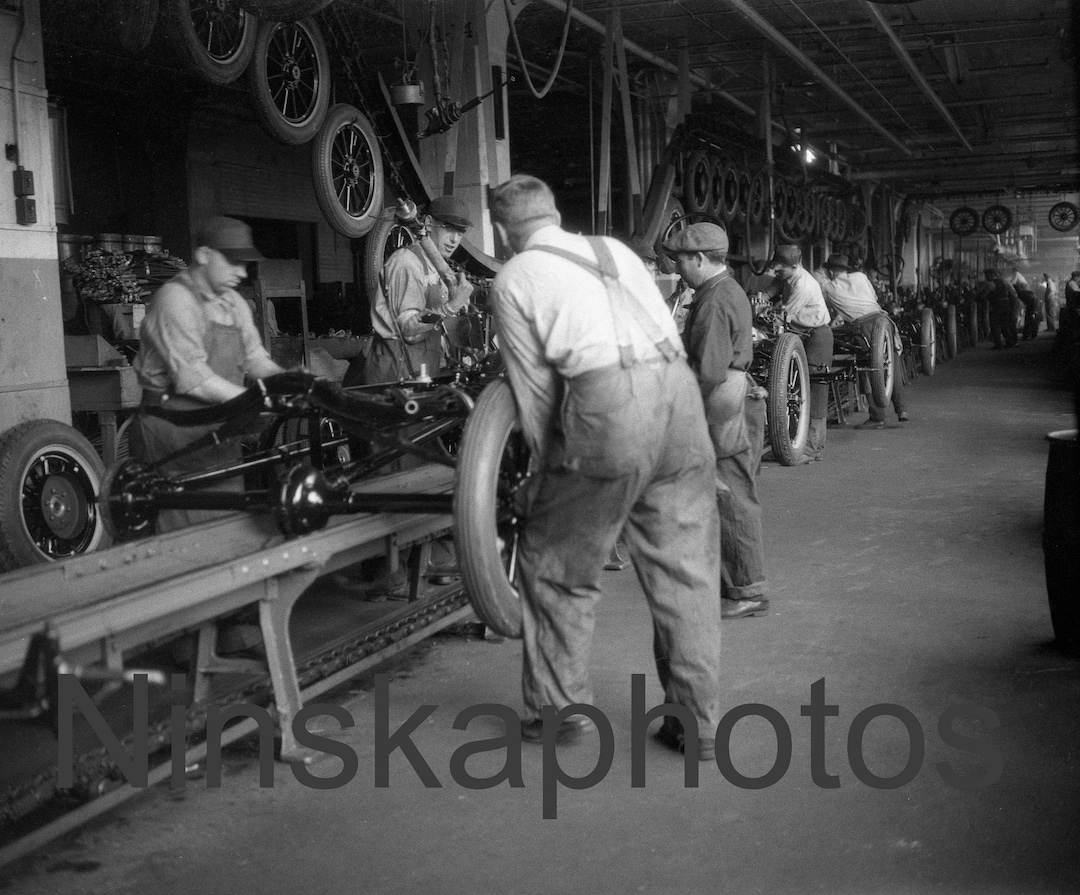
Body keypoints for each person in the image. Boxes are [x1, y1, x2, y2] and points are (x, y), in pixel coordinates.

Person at [488, 174, 723, 758]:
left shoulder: (513, 277)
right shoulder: (611, 249)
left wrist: (543, 477)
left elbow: (535, 393)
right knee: (686, 571)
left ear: (500, 230)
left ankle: (557, 715)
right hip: (680, 396)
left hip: (611, 407)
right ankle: (696, 726)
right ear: (555, 214)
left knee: (557, 562)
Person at [133, 216, 286, 533]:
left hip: (219, 430)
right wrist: (255, 400)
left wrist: (289, 383)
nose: (242, 273)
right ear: (203, 255)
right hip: (173, 435)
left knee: (227, 528)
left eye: (245, 264)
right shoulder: (175, 300)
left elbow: (256, 357)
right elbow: (196, 381)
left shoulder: (234, 303)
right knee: (185, 541)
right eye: (233, 262)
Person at [664, 222, 769, 621]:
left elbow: (707, 370)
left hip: (720, 398)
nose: (678, 270)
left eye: (681, 261)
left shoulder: (712, 301)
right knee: (732, 493)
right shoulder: (726, 289)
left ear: (701, 259)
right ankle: (736, 583)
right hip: (733, 393)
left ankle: (748, 590)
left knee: (730, 496)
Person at [345, 195, 476, 386]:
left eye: (460, 232)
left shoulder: (440, 270)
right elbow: (408, 329)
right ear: (429, 223)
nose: (454, 239)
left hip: (421, 371)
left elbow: (443, 327)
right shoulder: (407, 263)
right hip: (393, 374)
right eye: (448, 228)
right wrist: (451, 306)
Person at [816, 253, 910, 428]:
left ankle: (877, 417)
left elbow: (817, 280)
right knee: (891, 364)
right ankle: (902, 409)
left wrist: (822, 271)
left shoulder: (830, 287)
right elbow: (872, 298)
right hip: (883, 320)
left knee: (867, 370)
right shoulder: (860, 277)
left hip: (864, 327)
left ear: (831, 270)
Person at [757, 244, 833, 451]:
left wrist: (764, 311)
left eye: (780, 269)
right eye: (776, 269)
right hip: (799, 331)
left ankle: (812, 447)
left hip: (817, 335)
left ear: (794, 266)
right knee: (791, 384)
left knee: (814, 388)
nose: (777, 272)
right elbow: (772, 289)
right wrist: (760, 297)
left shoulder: (803, 285)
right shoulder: (786, 276)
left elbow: (783, 315)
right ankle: (792, 440)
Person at [987, 269, 1018, 349]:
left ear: (991, 275)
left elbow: (984, 294)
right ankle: (1009, 342)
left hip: (998, 305)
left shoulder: (992, 283)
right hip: (1006, 304)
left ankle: (998, 344)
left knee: (995, 325)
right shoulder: (1003, 282)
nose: (986, 277)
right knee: (1005, 324)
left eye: (987, 275)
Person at [1009, 266, 1039, 340]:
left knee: (1029, 318)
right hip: (1032, 301)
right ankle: (1032, 334)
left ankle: (1028, 335)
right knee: (1030, 318)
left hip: (1032, 302)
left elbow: (1012, 283)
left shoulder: (1017, 275)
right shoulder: (1025, 291)